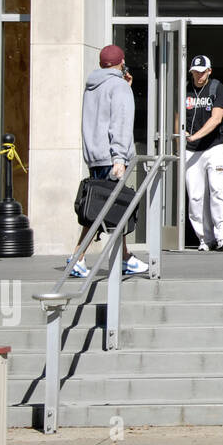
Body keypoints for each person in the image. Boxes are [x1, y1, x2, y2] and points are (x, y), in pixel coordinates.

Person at [73, 44, 147, 277]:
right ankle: (78, 256)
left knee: (107, 208)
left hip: (95, 156)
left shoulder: (92, 86)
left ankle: (123, 258)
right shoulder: (118, 87)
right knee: (111, 208)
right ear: (121, 62)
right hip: (111, 157)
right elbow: (120, 124)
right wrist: (119, 157)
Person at [183, 54, 223, 251]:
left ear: (209, 71)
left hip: (215, 146)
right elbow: (178, 114)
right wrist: (183, 134)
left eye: (202, 72)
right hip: (191, 150)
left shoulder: (217, 88)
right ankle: (205, 238)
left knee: (218, 190)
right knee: (195, 196)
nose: (198, 76)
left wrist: (195, 136)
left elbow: (216, 118)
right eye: (195, 72)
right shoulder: (186, 89)